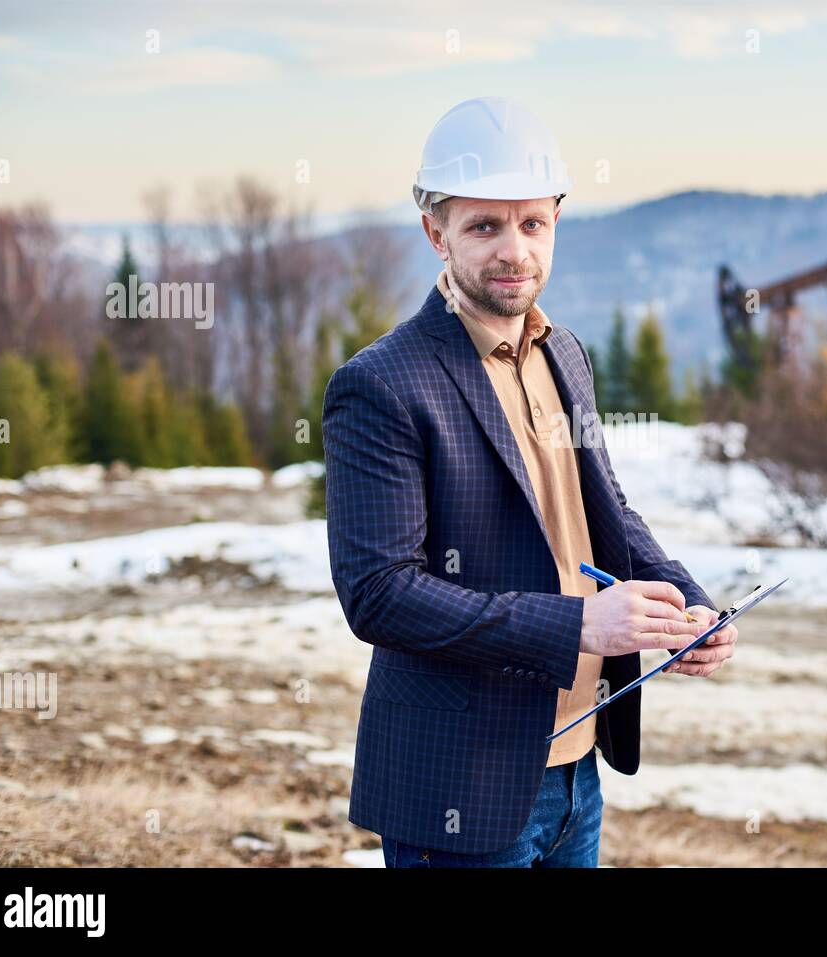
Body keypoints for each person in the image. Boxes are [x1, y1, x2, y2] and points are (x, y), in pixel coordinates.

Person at [322, 95, 738, 867]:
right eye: (484, 225)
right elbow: (379, 592)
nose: (514, 249)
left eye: (533, 223)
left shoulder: (566, 354)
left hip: (577, 769)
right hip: (460, 788)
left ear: (555, 221)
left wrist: (688, 603)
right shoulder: (380, 385)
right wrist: (580, 625)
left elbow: (603, 510)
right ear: (434, 232)